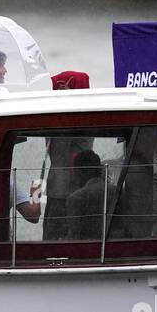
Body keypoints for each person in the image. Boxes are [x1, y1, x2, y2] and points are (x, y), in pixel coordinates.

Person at [43, 70, 92, 239]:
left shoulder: (74, 117)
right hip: (67, 188)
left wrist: (66, 104)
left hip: (65, 189)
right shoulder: (84, 116)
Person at [65, 149, 109, 240]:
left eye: (75, 173)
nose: (74, 178)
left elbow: (74, 234)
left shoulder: (76, 198)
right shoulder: (118, 191)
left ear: (80, 173)